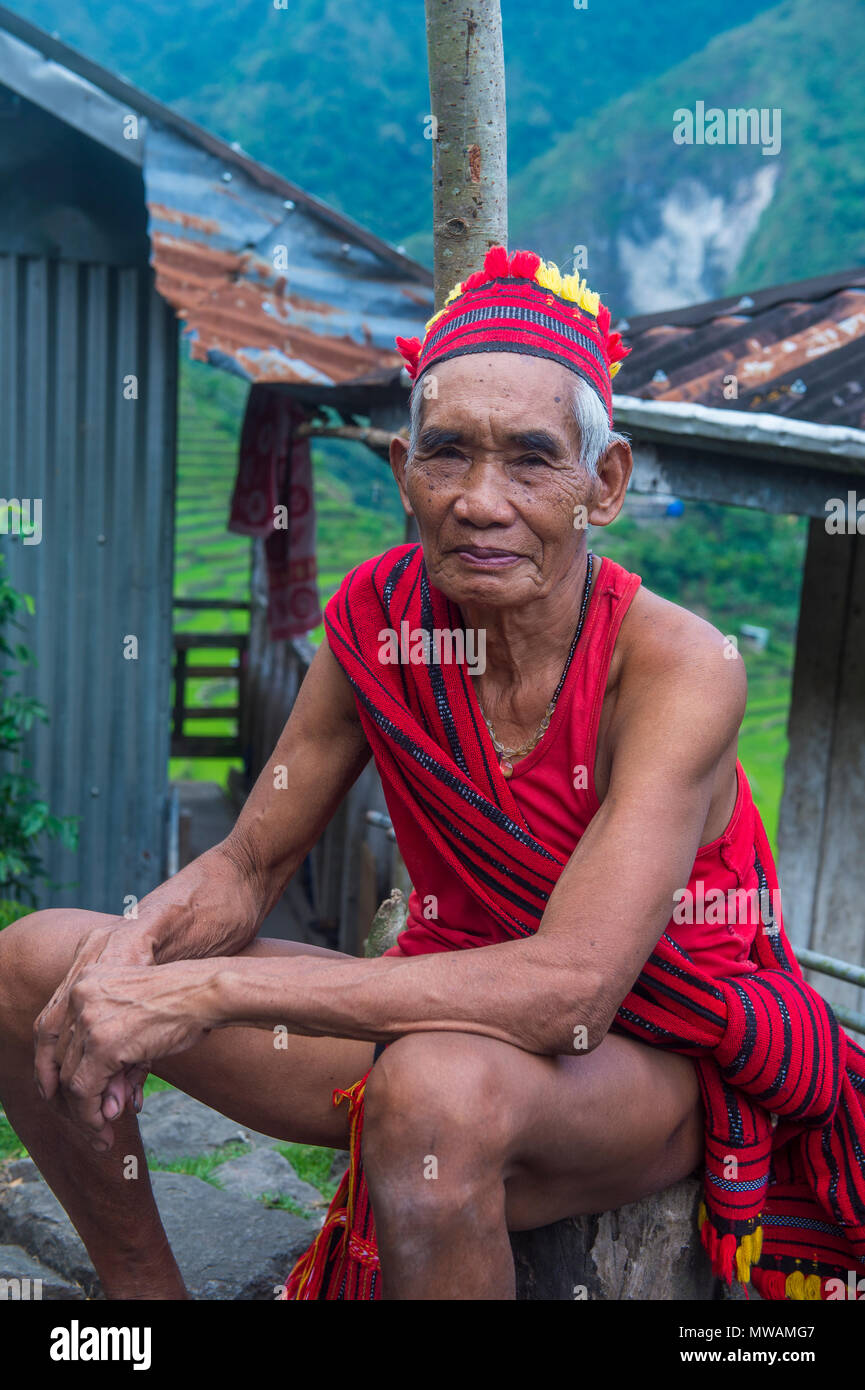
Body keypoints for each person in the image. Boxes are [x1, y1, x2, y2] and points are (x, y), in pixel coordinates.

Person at [1, 246, 863, 1302]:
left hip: (642, 1056)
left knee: (434, 1092)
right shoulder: (377, 618)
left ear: (604, 484)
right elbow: (247, 865)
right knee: (35, 963)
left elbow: (571, 991)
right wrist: (138, 953)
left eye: (532, 461)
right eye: (448, 454)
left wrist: (203, 987)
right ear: (402, 467)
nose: (480, 502)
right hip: (434, 1009)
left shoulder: (678, 667)